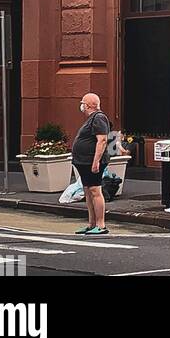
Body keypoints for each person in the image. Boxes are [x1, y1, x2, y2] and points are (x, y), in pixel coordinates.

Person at [71, 93, 111, 236]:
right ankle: (91, 223)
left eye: (83, 103)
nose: (81, 105)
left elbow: (102, 140)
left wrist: (96, 162)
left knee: (95, 190)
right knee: (88, 191)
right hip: (83, 162)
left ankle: (100, 225)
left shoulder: (99, 118)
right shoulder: (91, 119)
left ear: (88, 105)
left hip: (90, 162)